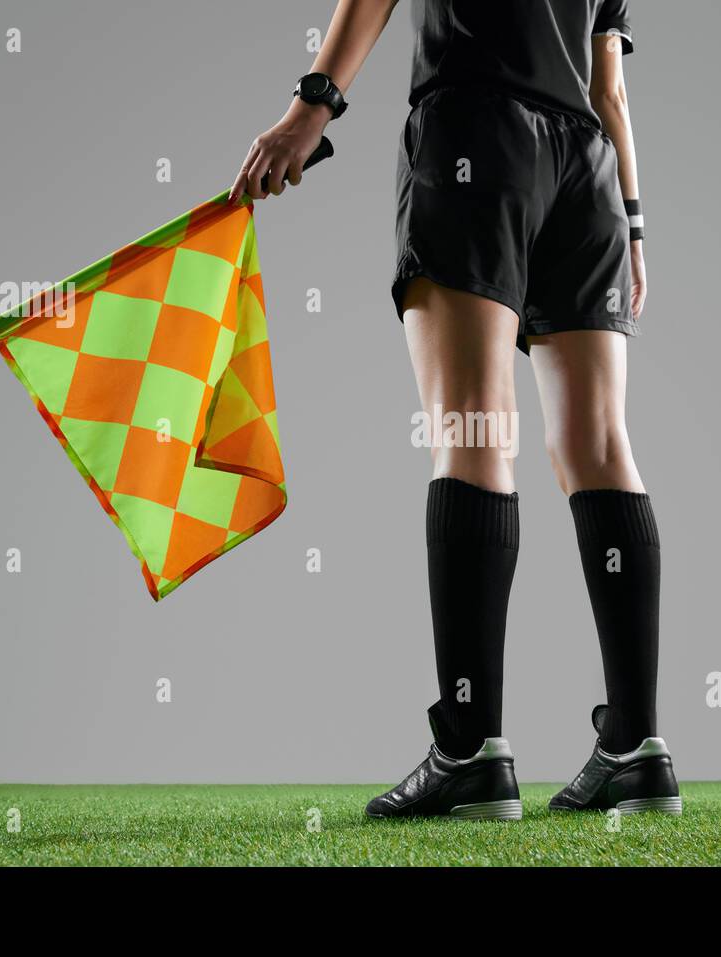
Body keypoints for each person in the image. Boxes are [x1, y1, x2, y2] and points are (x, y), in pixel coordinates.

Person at [230, 0, 679, 819]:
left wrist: (311, 104)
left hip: (478, 127)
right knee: (601, 442)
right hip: (589, 166)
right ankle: (637, 749)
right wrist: (635, 226)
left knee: (473, 425)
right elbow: (608, 83)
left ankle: (470, 750)